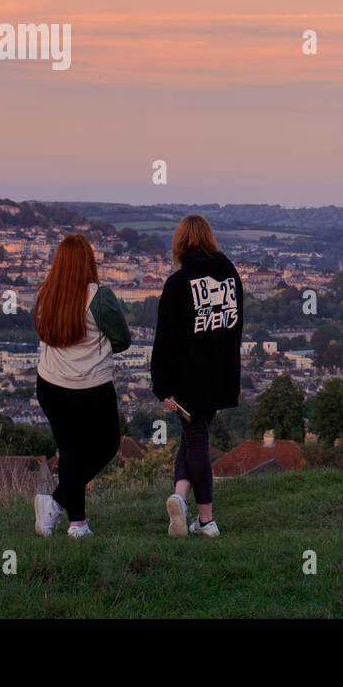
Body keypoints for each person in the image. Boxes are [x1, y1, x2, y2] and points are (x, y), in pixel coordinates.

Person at [31, 234, 131, 538]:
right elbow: (123, 340)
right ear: (89, 261)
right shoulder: (99, 297)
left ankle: (72, 519)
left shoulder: (45, 294)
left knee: (71, 450)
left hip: (51, 384)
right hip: (91, 387)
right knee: (106, 444)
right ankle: (70, 517)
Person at [152, 215, 243, 537]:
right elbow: (234, 328)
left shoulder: (179, 283)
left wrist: (161, 385)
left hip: (189, 377)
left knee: (196, 439)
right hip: (221, 372)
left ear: (179, 243)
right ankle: (179, 496)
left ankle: (207, 520)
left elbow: (166, 339)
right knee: (193, 436)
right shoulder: (231, 277)